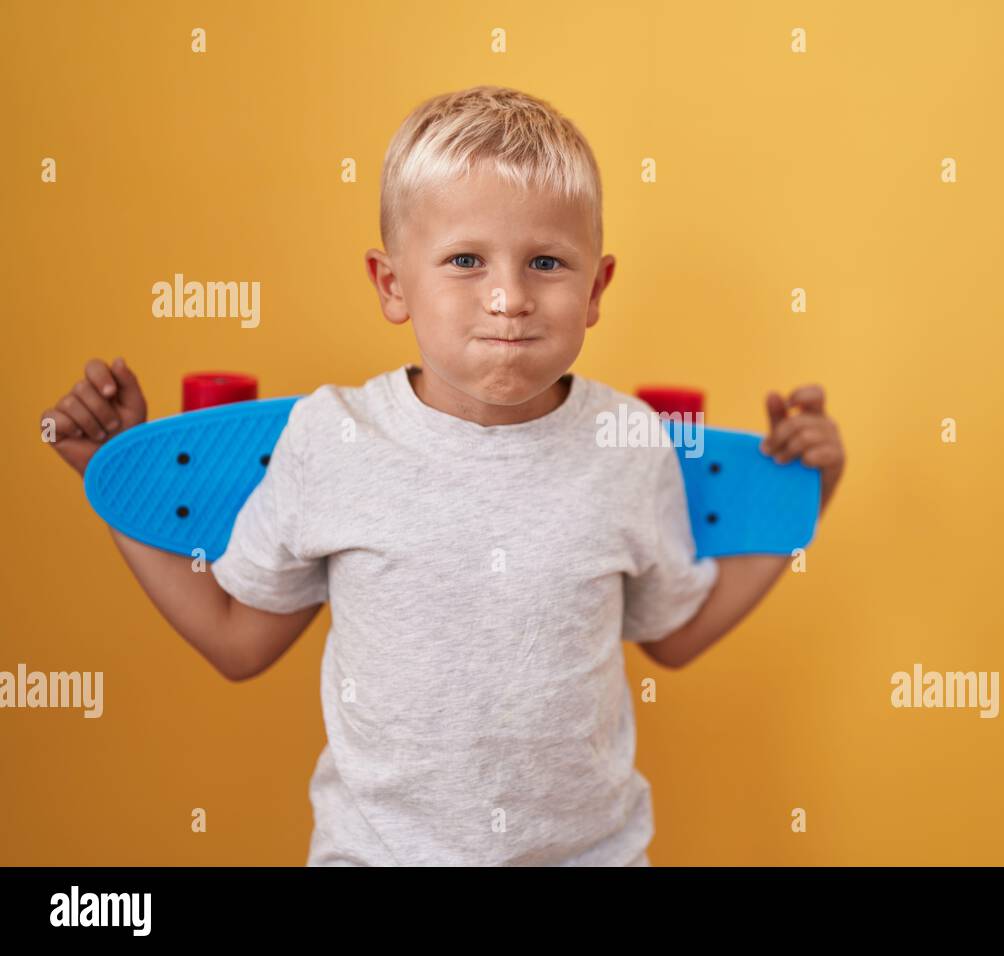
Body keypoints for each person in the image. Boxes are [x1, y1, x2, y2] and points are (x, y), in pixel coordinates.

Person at [39, 86, 846, 866]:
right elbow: (235, 641)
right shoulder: (332, 439)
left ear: (596, 289)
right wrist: (118, 484)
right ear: (393, 284)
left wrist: (800, 499)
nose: (508, 298)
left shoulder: (629, 441)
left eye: (546, 262)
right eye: (465, 260)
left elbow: (673, 636)